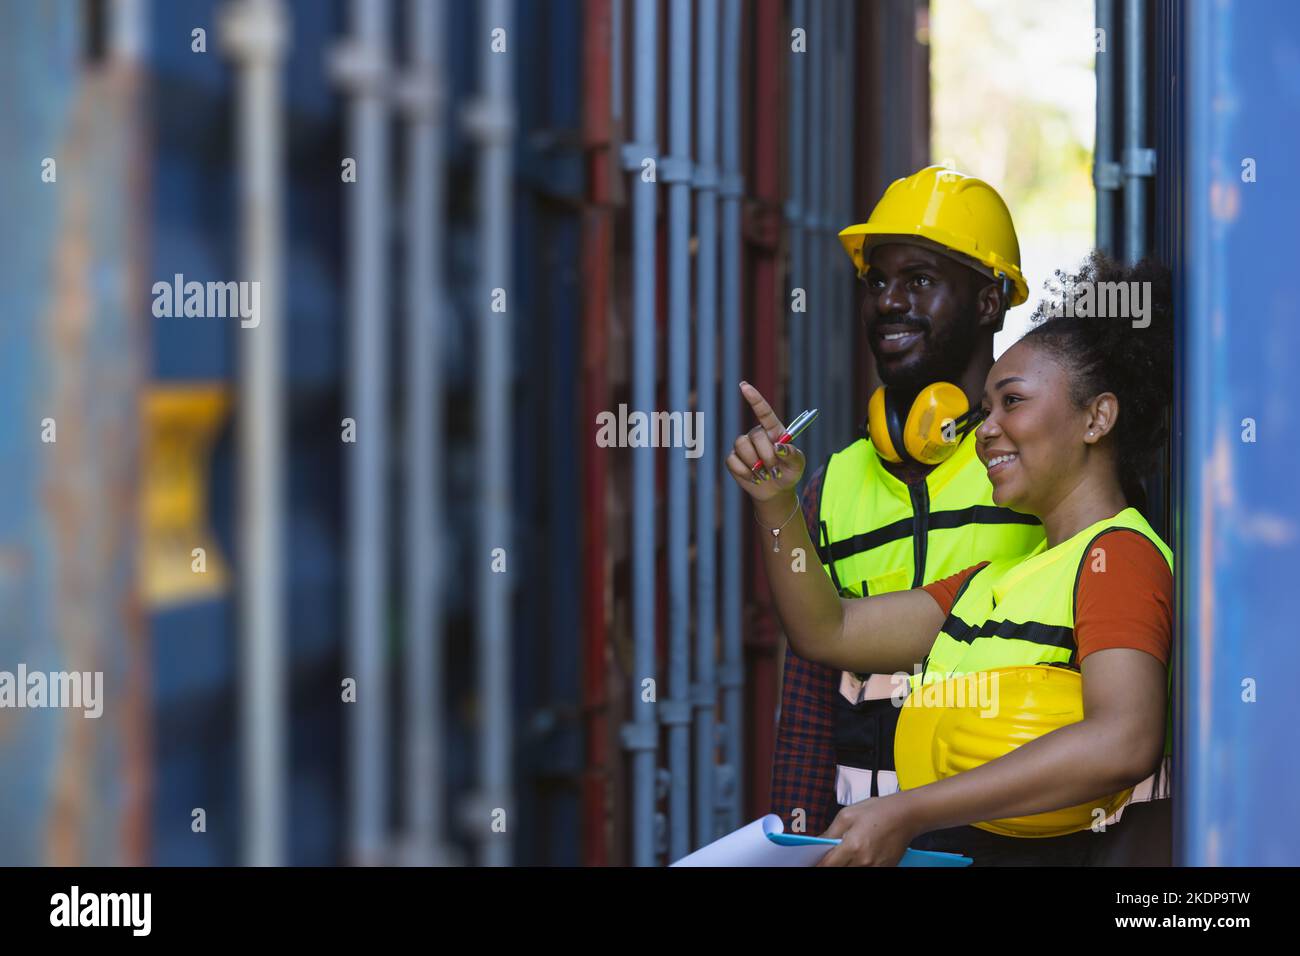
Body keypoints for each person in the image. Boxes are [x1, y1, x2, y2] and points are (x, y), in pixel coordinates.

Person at [731, 253, 1175, 866]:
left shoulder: (1115, 556)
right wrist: (776, 502)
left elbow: (1123, 742)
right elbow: (826, 630)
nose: (985, 429)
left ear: (1097, 417)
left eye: (1011, 402)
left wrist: (909, 810)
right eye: (986, 409)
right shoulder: (992, 584)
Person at [769, 165, 1046, 841]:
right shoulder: (826, 488)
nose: (888, 301)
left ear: (988, 302)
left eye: (918, 280)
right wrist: (799, 845)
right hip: (871, 849)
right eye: (877, 282)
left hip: (1018, 845)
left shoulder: (1049, 468)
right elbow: (809, 713)